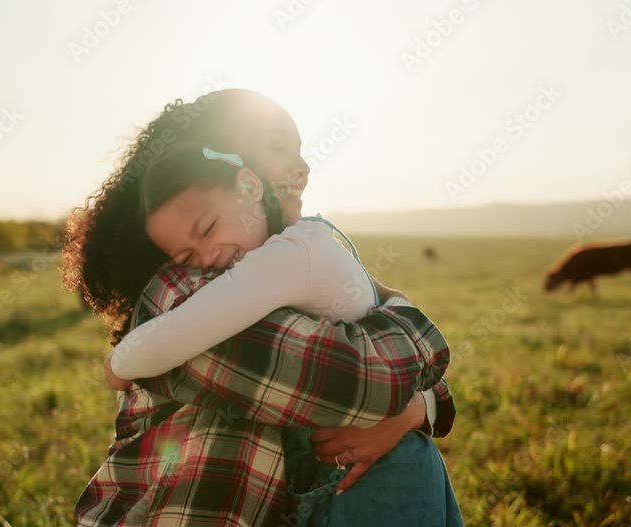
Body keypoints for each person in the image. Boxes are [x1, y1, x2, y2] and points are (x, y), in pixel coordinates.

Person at [65, 89, 461, 526]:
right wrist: (406, 404)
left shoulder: (275, 264)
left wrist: (415, 408)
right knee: (405, 457)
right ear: (231, 167)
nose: (304, 166)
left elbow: (416, 369)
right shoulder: (187, 291)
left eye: (299, 149)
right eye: (277, 147)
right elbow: (369, 381)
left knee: (407, 452)